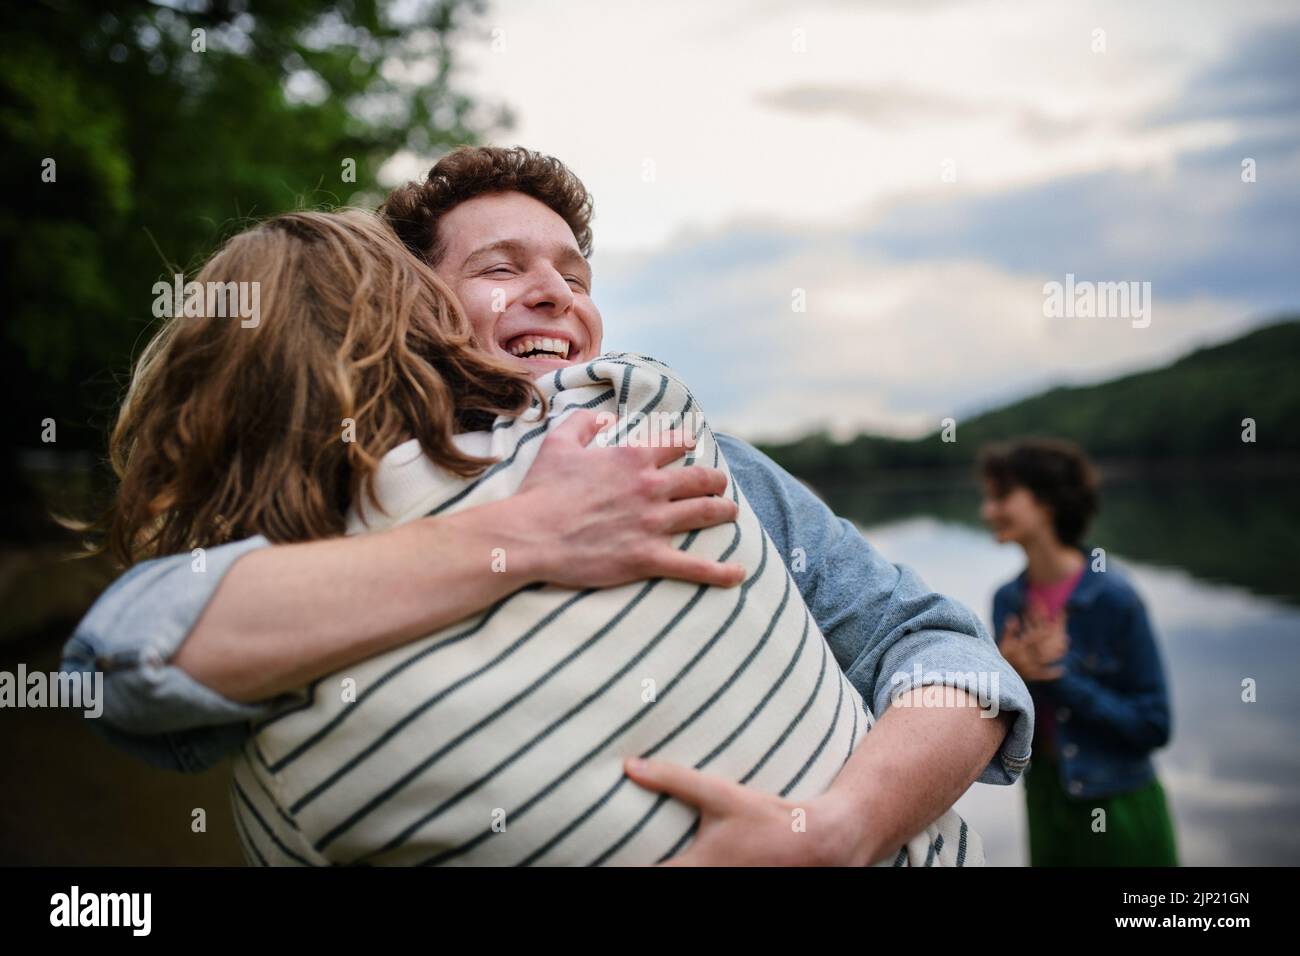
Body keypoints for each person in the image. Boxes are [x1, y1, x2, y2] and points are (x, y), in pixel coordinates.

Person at [62, 146, 1033, 865]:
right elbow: (126, 664)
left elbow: (942, 650)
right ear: (414, 312)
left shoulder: (684, 456)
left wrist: (841, 825)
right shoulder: (325, 531)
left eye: (574, 275)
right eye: (502, 268)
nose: (556, 295)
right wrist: (526, 534)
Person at [978, 437, 1178, 866]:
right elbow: (1002, 718)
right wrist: (1005, 675)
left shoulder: (1115, 598)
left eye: (1002, 497)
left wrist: (1061, 679)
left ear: (1046, 503)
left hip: (1119, 800)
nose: (988, 511)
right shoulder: (1006, 601)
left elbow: (1154, 726)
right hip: (1046, 797)